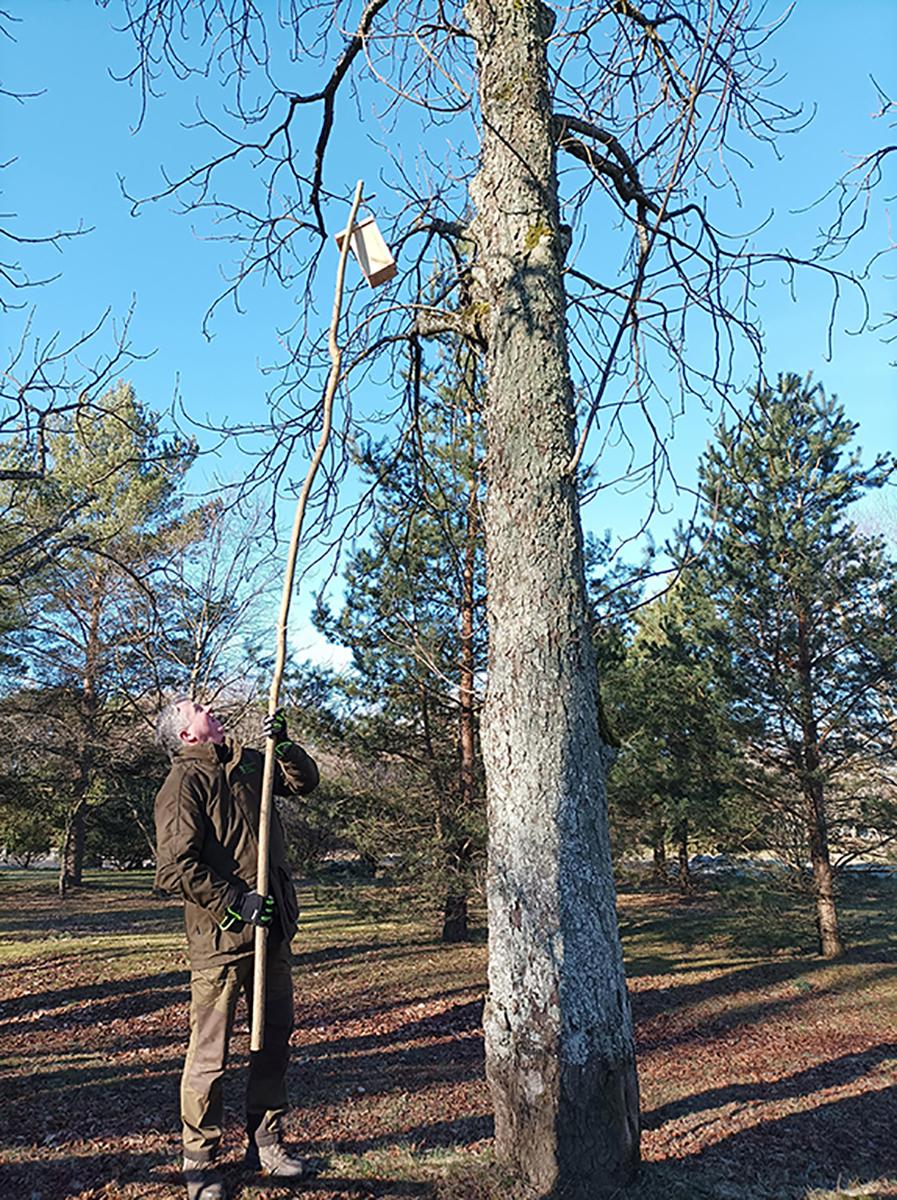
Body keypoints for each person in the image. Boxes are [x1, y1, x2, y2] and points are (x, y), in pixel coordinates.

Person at [154, 697, 319, 1200]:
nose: (209, 707)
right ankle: (199, 1163)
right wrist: (236, 902)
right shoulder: (183, 783)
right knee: (210, 1056)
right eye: (197, 708)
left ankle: (266, 1142)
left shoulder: (250, 762)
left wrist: (284, 746)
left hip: (273, 932)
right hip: (222, 941)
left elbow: (303, 783)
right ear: (186, 734)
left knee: (274, 1039)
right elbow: (174, 869)